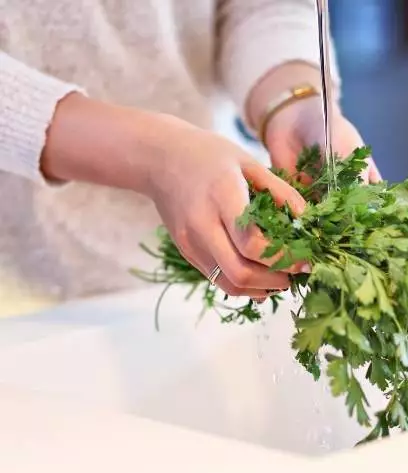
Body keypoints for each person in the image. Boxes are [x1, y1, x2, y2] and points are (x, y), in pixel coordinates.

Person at [0, 0, 380, 317]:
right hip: (18, 289)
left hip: (203, 252)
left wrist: (294, 104)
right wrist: (154, 155)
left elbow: (261, 6)